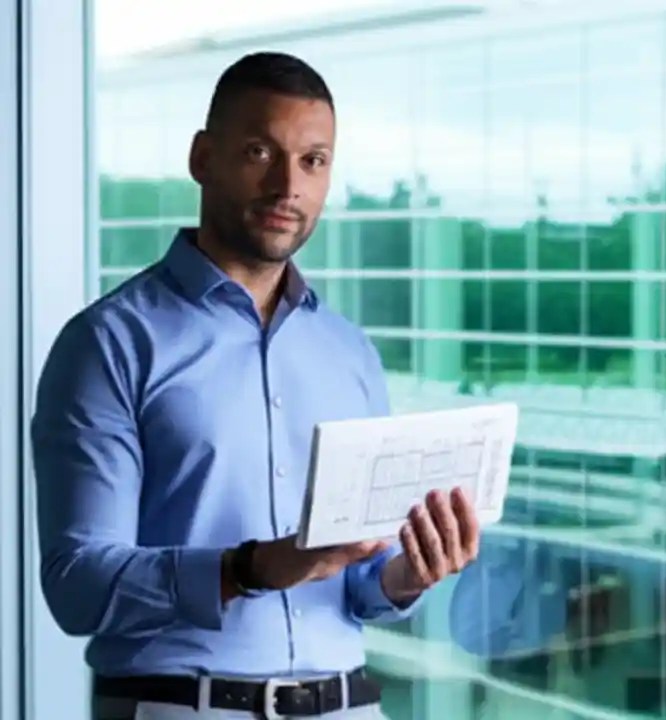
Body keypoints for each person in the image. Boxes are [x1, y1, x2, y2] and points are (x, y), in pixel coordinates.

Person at [31, 52, 506, 718]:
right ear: (202, 157)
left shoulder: (350, 352)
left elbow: (362, 583)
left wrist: (409, 573)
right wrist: (249, 567)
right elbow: (77, 586)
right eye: (260, 151)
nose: (289, 185)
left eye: (313, 161)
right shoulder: (108, 344)